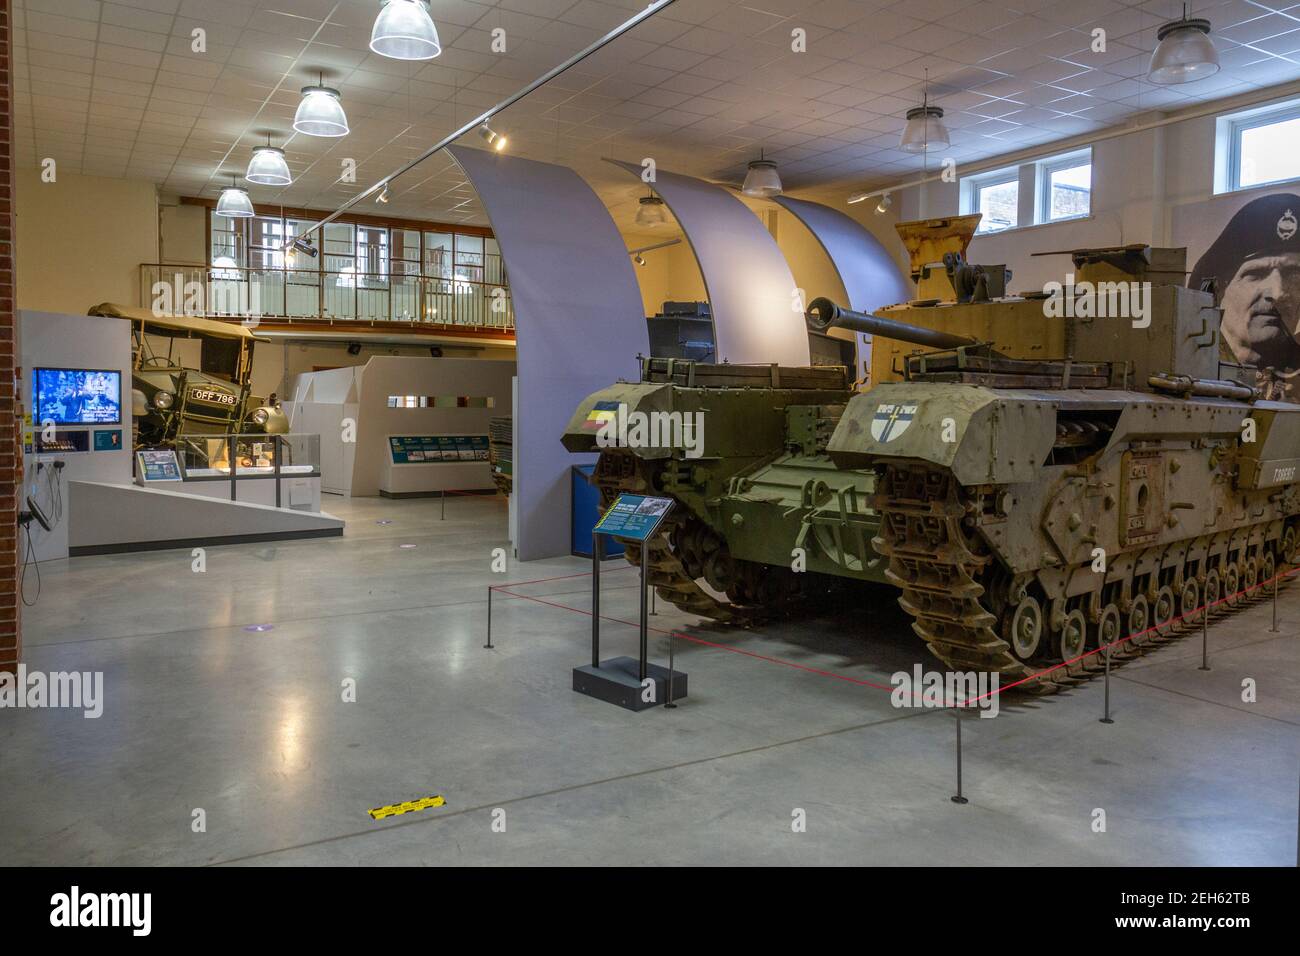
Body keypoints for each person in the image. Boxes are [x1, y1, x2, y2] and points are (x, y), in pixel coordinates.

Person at [1188, 192, 1300, 401]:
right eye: (1256, 274)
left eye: (1292, 275)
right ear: (1220, 290)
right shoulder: (1195, 371)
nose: (1277, 293)